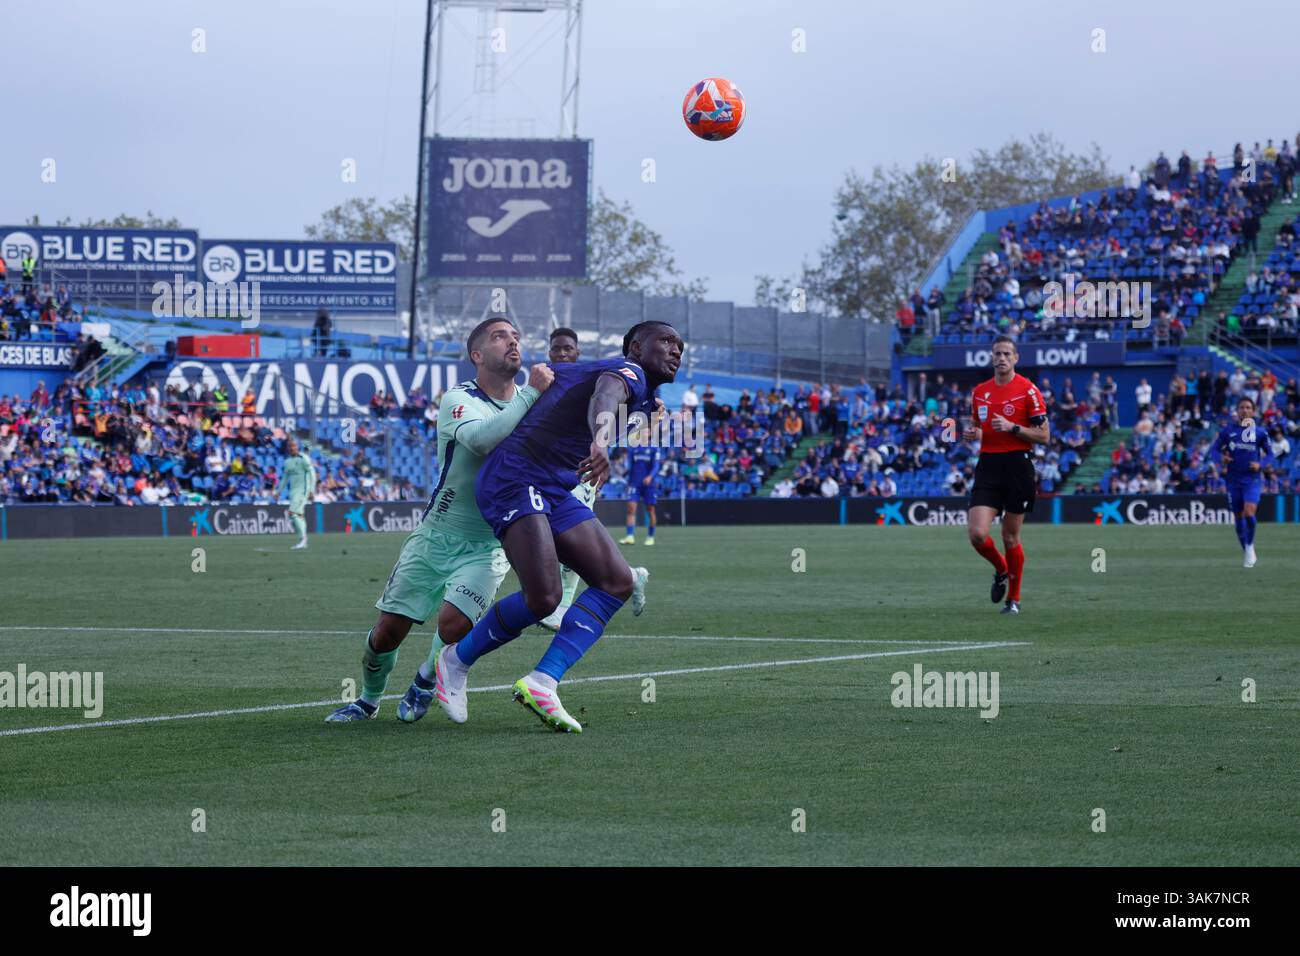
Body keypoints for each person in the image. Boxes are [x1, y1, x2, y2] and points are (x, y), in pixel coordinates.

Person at [435, 321, 682, 733]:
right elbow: (606, 394)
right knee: (544, 597)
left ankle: (543, 680)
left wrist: (639, 421)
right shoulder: (628, 372)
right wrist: (601, 441)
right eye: (667, 342)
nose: (676, 351)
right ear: (636, 347)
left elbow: (605, 409)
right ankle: (454, 660)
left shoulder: (645, 396)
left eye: (680, 346)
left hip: (551, 486)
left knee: (617, 582)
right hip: (515, 476)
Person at [325, 317, 554, 723]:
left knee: (453, 625)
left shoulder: (532, 401)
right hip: (437, 535)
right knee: (386, 634)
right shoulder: (458, 398)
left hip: (488, 543)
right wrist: (533, 393)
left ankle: (426, 679)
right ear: (477, 354)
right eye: (501, 336)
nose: (513, 342)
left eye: (517, 336)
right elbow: (482, 440)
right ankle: (367, 700)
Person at [542, 326, 649, 630]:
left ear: (577, 353)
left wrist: (641, 418)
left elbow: (609, 422)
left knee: (567, 537)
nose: (562, 354)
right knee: (555, 538)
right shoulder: (542, 382)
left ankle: (561, 607)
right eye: (556, 349)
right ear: (549, 353)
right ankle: (630, 575)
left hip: (582, 470)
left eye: (567, 349)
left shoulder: (590, 381)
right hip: (547, 470)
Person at [963, 336, 1050, 615]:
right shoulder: (979, 392)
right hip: (988, 465)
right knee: (977, 534)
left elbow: (1044, 435)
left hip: (1017, 467)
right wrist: (973, 433)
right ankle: (1001, 569)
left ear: (1015, 358)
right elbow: (980, 426)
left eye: (1006, 354)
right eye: (997, 354)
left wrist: (1013, 428)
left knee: (1010, 537)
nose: (1001, 358)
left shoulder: (1029, 391)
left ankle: (1013, 599)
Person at [1207, 397, 1274, 568]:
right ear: (1237, 411)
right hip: (1233, 480)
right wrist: (1221, 458)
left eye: (1248, 407)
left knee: (1249, 512)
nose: (1245, 410)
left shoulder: (1260, 432)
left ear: (1253, 411)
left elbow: (1271, 454)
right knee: (1238, 517)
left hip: (1252, 480)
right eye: (1242, 407)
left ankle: (1250, 547)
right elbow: (1213, 450)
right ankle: (1246, 550)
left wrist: (1261, 464)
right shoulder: (1227, 431)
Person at [620, 427, 661, 546]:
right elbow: (630, 465)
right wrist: (628, 480)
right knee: (631, 508)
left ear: (649, 433)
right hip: (634, 483)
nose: (644, 432)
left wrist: (650, 477)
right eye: (642, 431)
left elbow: (656, 466)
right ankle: (629, 536)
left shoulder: (654, 448)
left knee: (650, 510)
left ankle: (650, 536)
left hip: (649, 484)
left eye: (646, 431)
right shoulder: (634, 448)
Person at [275, 437, 317, 550]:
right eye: (290, 446)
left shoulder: (304, 458)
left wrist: (312, 490)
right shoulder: (287, 461)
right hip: (293, 492)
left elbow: (312, 474)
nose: (292, 448)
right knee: (299, 516)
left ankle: (303, 540)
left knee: (293, 513)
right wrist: (278, 491)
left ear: (297, 447)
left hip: (303, 490)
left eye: (294, 446)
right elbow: (285, 478)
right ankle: (304, 541)